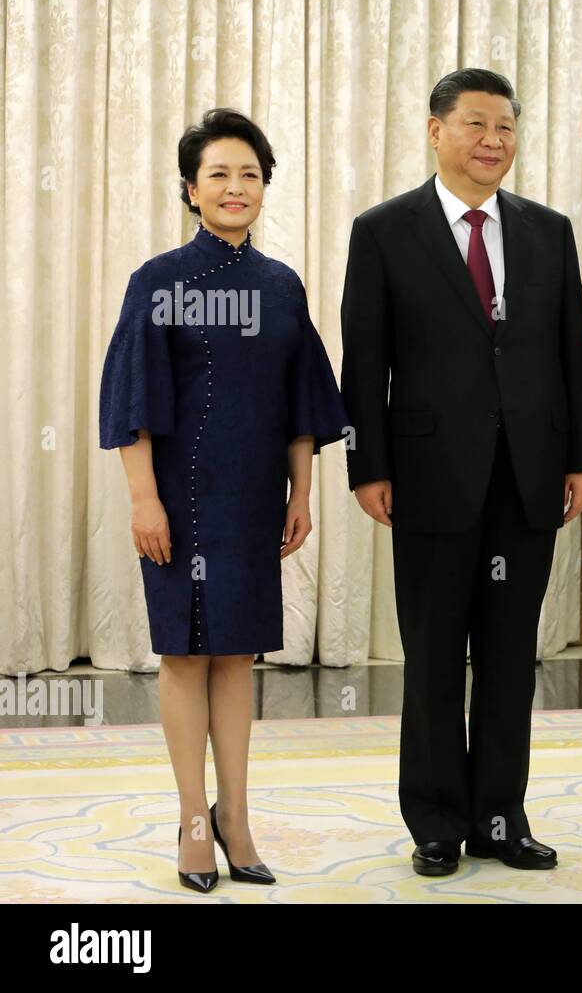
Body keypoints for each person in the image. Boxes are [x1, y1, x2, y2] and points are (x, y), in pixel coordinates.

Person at [341, 68, 582, 877]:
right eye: (477, 125)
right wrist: (368, 464)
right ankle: (436, 820)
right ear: (435, 130)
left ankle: (500, 813)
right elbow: (365, 362)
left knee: (509, 657)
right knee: (431, 653)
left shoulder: (548, 231)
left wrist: (580, 456)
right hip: (425, 474)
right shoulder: (384, 230)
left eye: (506, 129)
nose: (494, 142)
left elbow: (571, 356)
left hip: (528, 476)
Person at [99, 107, 350, 892]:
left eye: (249, 174)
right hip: (176, 496)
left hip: (253, 494)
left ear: (264, 186)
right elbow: (131, 401)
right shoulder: (160, 279)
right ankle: (192, 819)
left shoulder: (282, 285)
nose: (235, 187)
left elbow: (302, 399)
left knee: (237, 652)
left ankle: (238, 814)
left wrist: (301, 490)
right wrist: (145, 501)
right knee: (185, 652)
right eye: (218, 174)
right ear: (190, 188)